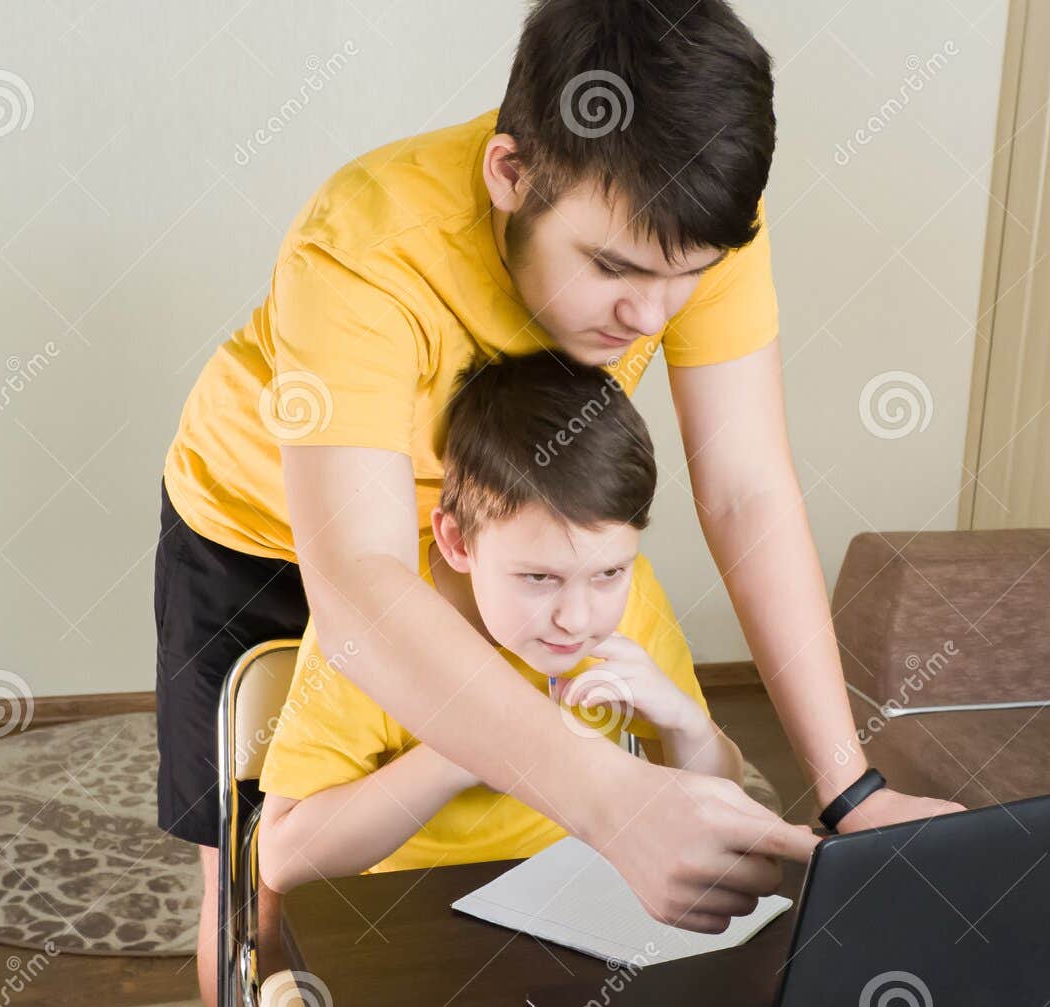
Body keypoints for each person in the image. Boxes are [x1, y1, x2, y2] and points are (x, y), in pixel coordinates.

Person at [154, 0, 963, 1007]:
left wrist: (850, 792)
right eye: (614, 269)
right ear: (509, 173)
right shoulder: (364, 244)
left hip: (503, 533)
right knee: (257, 903)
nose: (654, 316)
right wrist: (614, 801)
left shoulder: (693, 216)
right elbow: (358, 580)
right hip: (272, 528)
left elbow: (746, 491)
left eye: (685, 275)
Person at [257, 353, 750, 894]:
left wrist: (683, 724)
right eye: (539, 578)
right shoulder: (375, 621)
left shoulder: (630, 602)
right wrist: (475, 743)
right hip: (410, 909)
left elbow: (718, 804)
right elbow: (283, 858)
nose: (576, 618)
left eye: (609, 572)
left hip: (579, 896)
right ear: (457, 541)